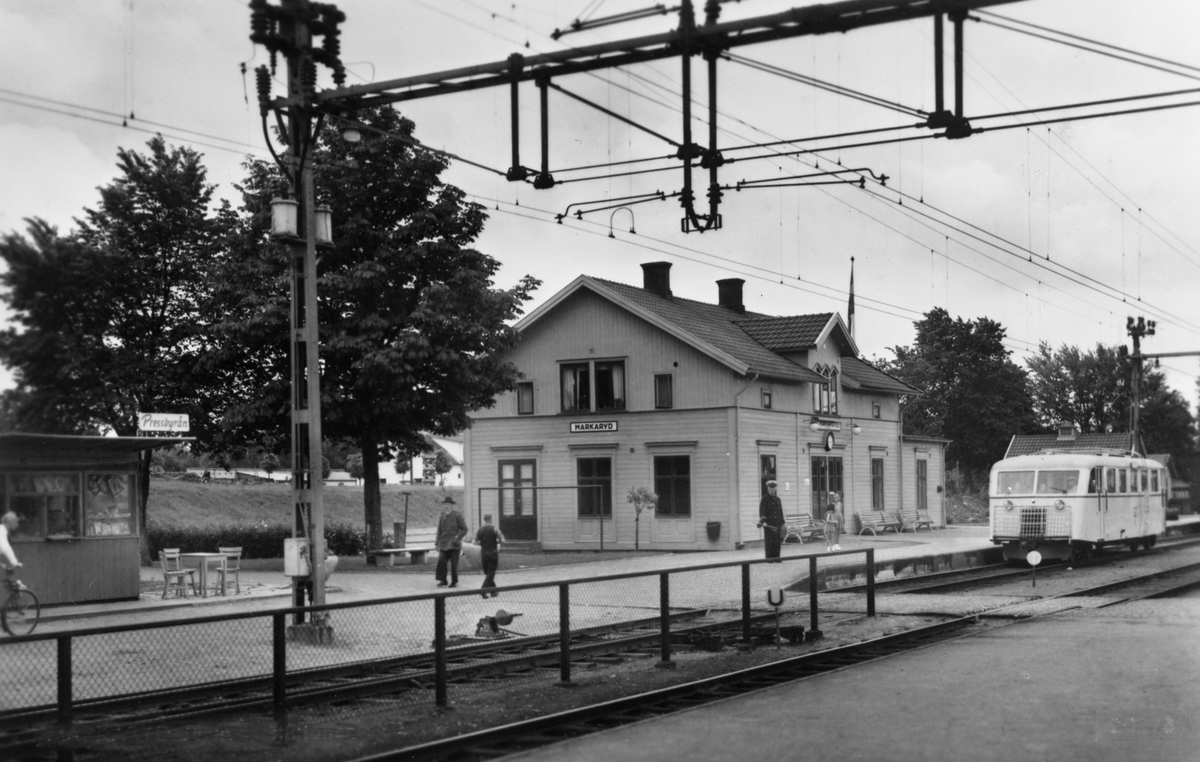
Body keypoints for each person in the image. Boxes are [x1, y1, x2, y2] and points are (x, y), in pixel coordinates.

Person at [434, 496, 467, 588]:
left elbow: (464, 529)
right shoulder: (442, 516)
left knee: (454, 564)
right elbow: (439, 531)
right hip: (444, 543)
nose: (446, 506)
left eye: (448, 504)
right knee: (441, 561)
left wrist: (457, 537)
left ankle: (454, 582)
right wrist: (437, 543)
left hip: (454, 544)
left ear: (452, 505)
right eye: (444, 504)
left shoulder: (457, 515)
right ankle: (443, 580)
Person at [474, 513, 506, 598]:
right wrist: (498, 542)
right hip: (493, 552)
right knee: (491, 573)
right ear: (491, 519)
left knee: (488, 573)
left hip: (484, 553)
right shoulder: (495, 529)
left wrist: (482, 543)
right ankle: (482, 590)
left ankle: (493, 591)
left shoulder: (479, 530)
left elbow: (474, 542)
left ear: (484, 520)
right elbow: (503, 540)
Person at [757, 480, 785, 560]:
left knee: (777, 541)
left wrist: (782, 523)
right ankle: (769, 558)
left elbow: (780, 512)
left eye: (774, 487)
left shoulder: (778, 499)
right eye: (771, 487)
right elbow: (762, 512)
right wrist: (764, 522)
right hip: (769, 524)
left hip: (777, 523)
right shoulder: (765, 499)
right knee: (770, 542)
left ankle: (776, 557)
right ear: (768, 488)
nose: (772, 489)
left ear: (776, 488)